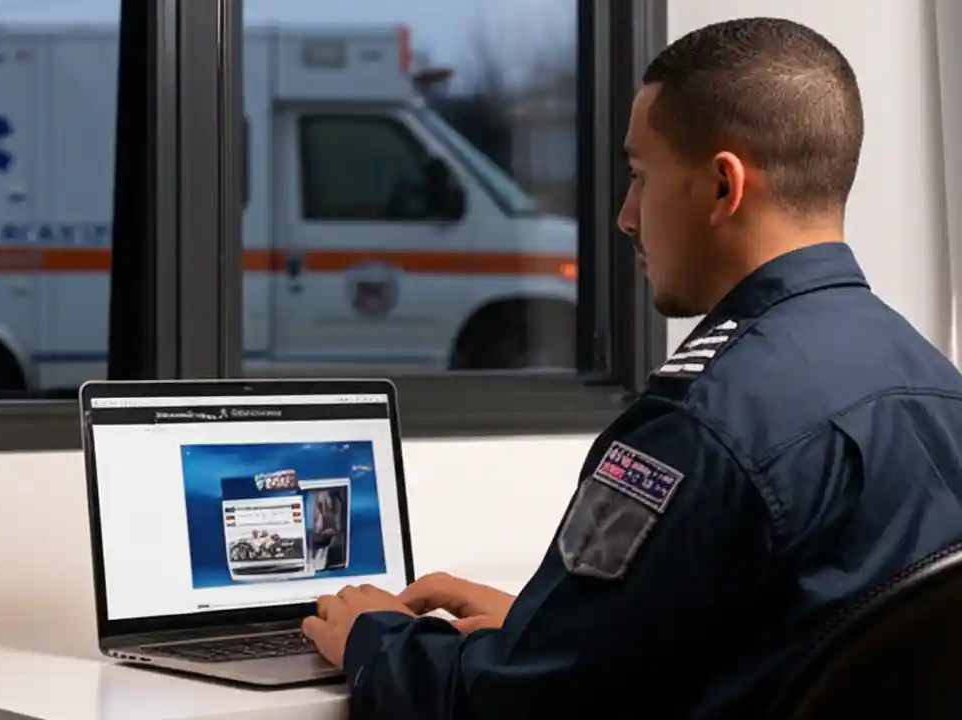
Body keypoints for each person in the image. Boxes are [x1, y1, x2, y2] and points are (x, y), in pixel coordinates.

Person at [300, 17, 962, 718]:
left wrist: (375, 640)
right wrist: (539, 630)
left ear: (721, 187)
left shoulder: (702, 427)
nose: (624, 215)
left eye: (641, 176)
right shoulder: (934, 384)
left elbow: (514, 709)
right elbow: (807, 637)